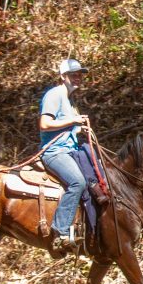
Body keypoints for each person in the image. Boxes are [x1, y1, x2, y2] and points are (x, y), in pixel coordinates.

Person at [39, 58, 91, 253]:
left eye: (80, 75)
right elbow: (44, 124)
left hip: (69, 150)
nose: (78, 78)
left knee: (92, 180)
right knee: (77, 182)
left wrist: (79, 128)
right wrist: (73, 120)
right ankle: (60, 233)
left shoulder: (69, 100)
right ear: (63, 77)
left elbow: (66, 128)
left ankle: (80, 233)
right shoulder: (55, 94)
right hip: (54, 152)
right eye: (74, 75)